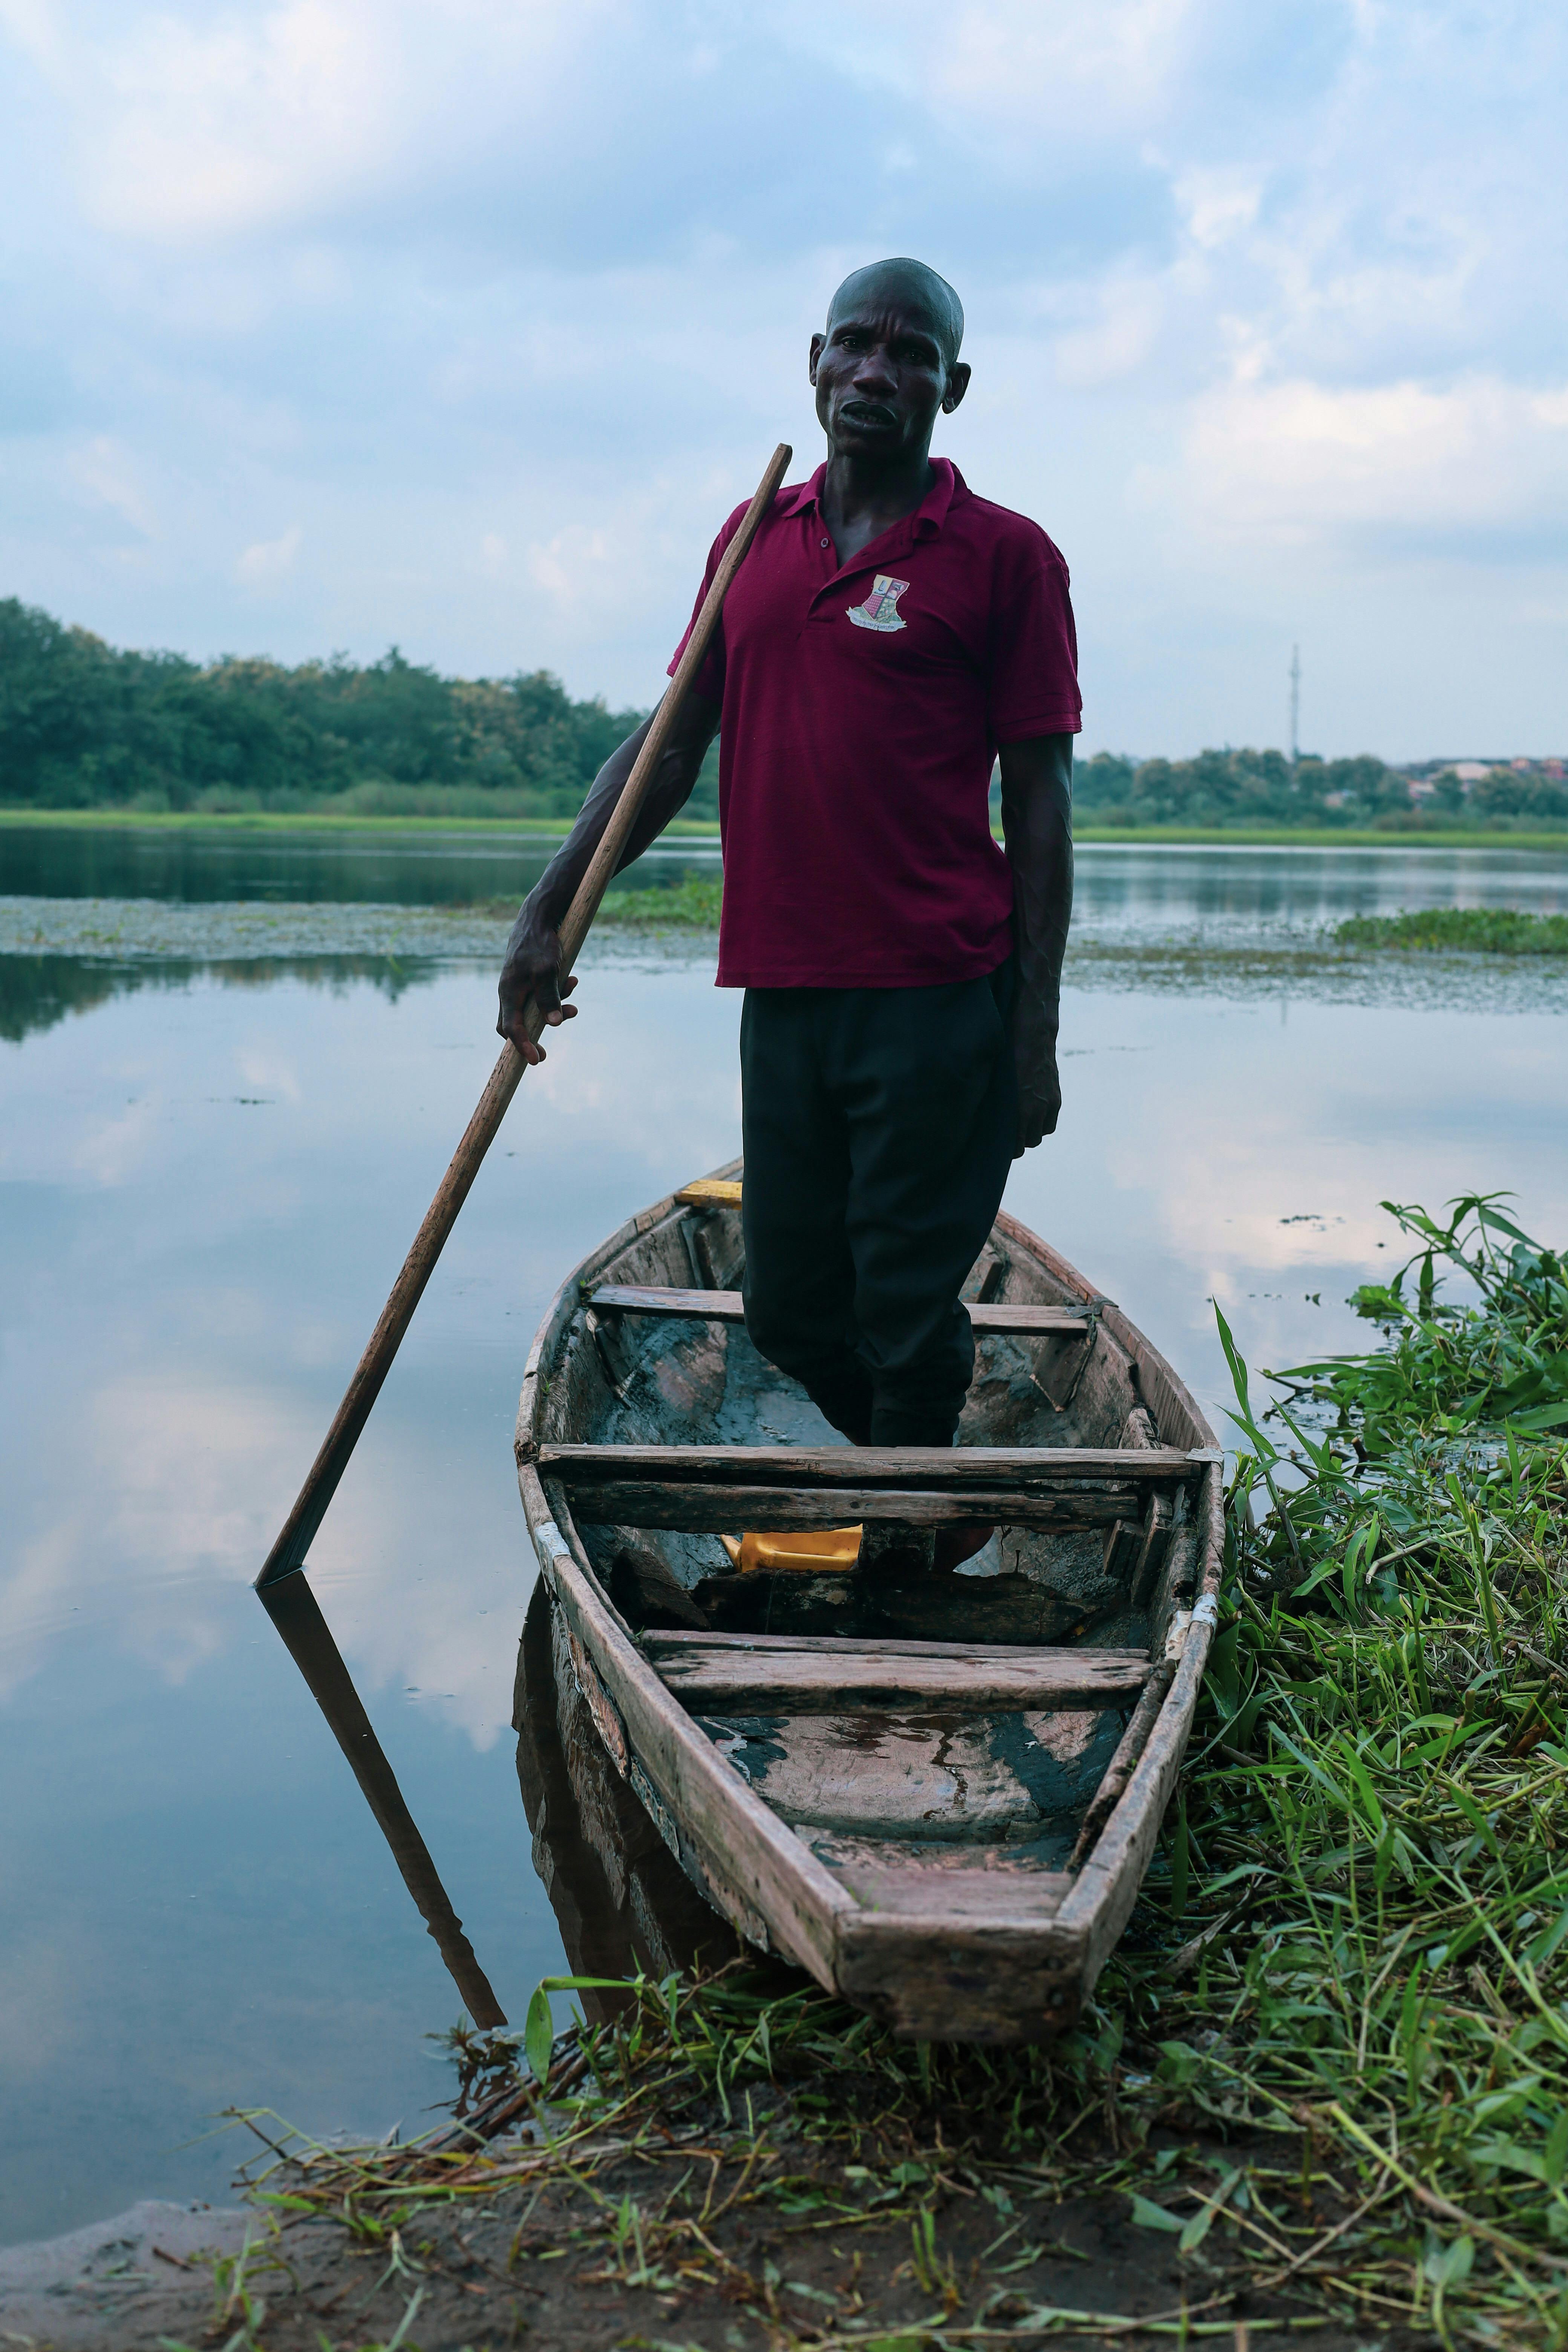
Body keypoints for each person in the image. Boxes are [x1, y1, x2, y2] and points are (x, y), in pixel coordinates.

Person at [497, 257, 1078, 1568]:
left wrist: (1034, 1034)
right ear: (814, 363)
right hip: (786, 987)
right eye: (856, 345)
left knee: (906, 1302)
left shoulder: (1006, 559)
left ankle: (906, 1551)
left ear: (954, 385)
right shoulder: (752, 535)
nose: (878, 371)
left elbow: (1041, 804)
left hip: (940, 993)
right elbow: (665, 744)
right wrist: (550, 917)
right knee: (795, 1314)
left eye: (911, 351)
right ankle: (937, 1494)